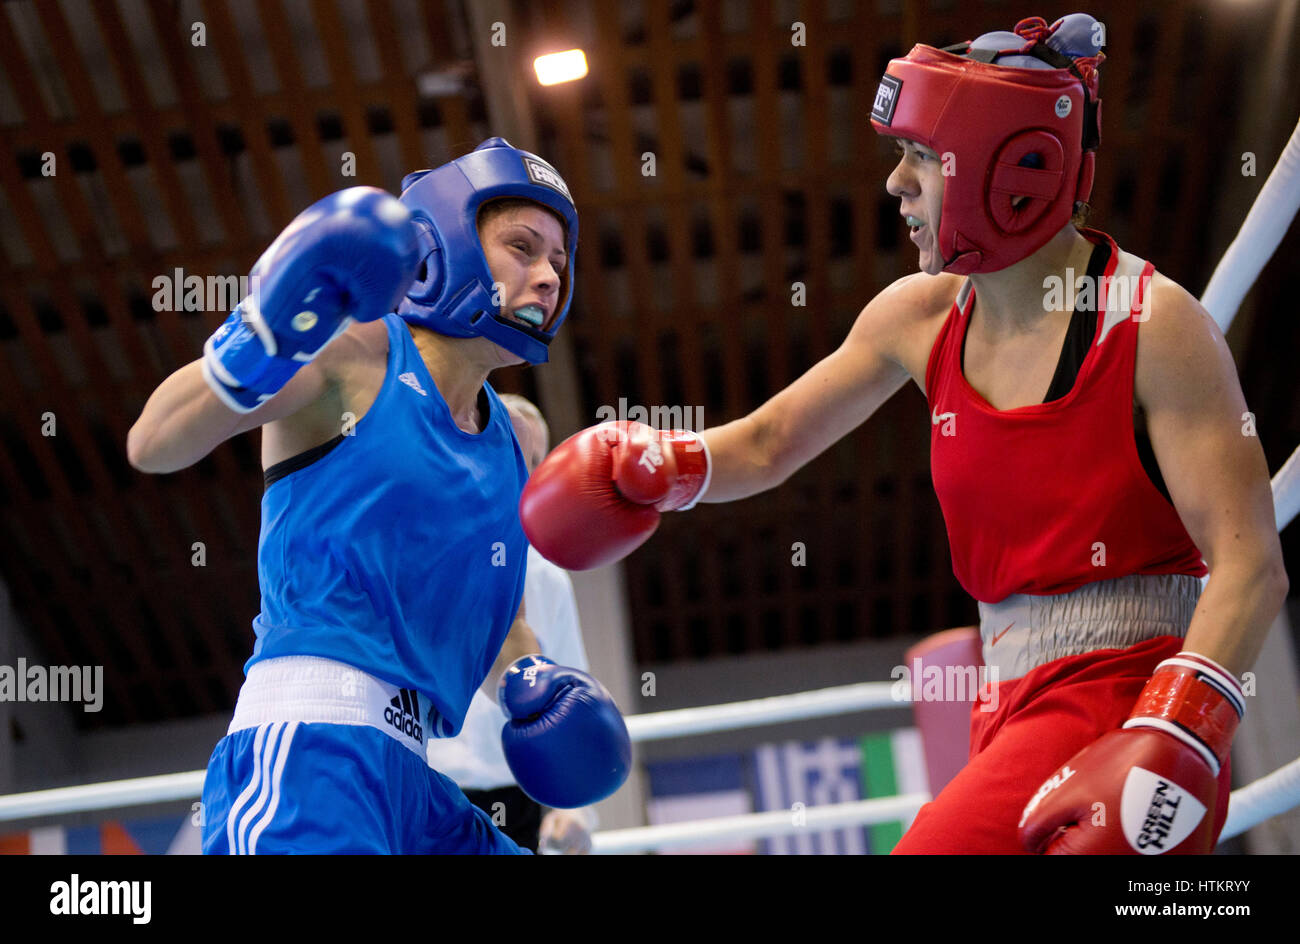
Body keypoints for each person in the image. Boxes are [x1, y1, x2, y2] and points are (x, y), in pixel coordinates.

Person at [518, 15, 1289, 854]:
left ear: (1012, 165)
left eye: (921, 155)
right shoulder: (919, 316)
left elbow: (1250, 562)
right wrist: (657, 464)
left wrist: (1178, 730)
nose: (896, 185)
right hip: (1007, 697)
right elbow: (770, 442)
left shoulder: (1153, 325)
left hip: (1130, 693)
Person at [126, 137, 630, 854]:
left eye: (559, 259)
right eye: (523, 246)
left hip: (417, 778)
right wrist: (262, 332)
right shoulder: (355, 354)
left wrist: (534, 681)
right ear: (448, 243)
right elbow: (155, 441)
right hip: (309, 750)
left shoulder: (508, 452)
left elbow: (501, 622)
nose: (549, 276)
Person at [425, 394, 597, 854]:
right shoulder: (419, 555)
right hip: (427, 787)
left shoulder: (546, 578)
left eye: (531, 459)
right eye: (507, 449)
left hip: (519, 794)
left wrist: (573, 806)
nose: (516, 469)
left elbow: (572, 687)